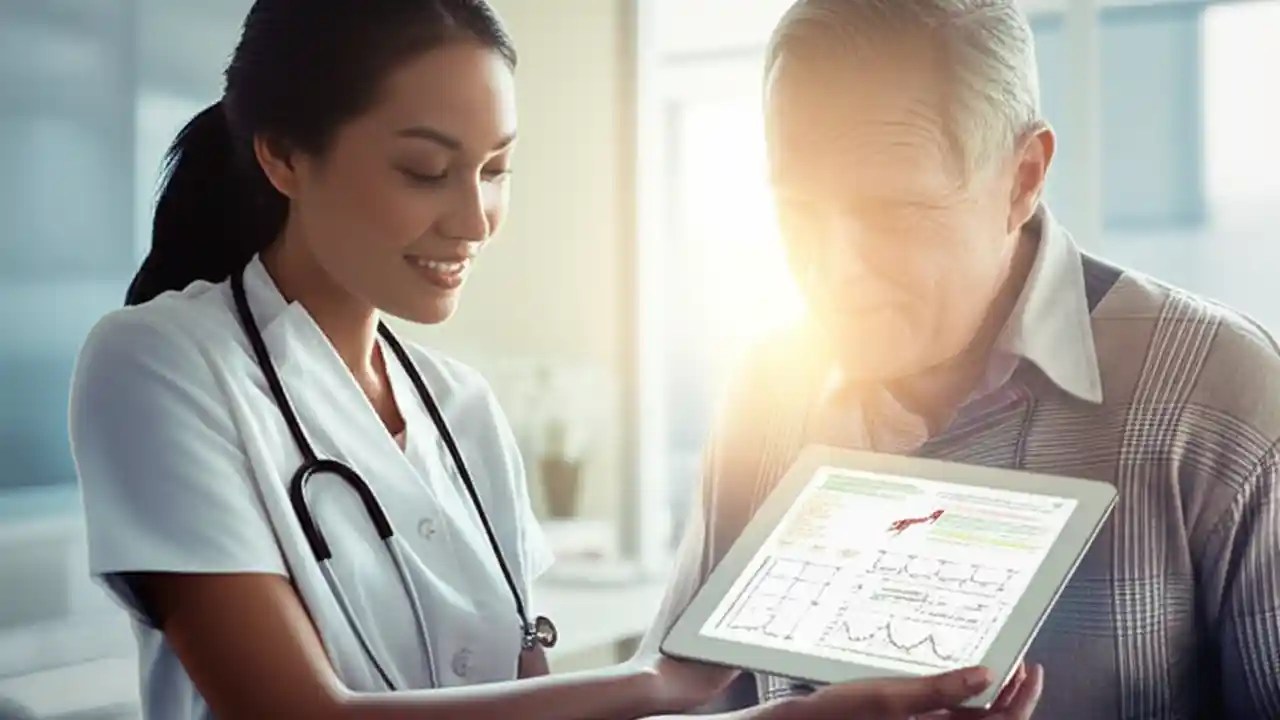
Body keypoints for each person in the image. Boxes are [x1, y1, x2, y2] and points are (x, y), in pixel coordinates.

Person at [67, 2, 1038, 719]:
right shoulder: (161, 364)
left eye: (495, 170)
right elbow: (294, 714)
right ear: (282, 156)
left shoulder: (462, 410)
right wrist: (652, 681)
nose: (475, 218)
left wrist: (794, 719)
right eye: (424, 169)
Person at [643, 1, 1280, 718]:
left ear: (1023, 179)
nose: (836, 271)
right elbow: (686, 698)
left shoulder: (1218, 398)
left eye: (894, 214)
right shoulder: (765, 394)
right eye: (800, 211)